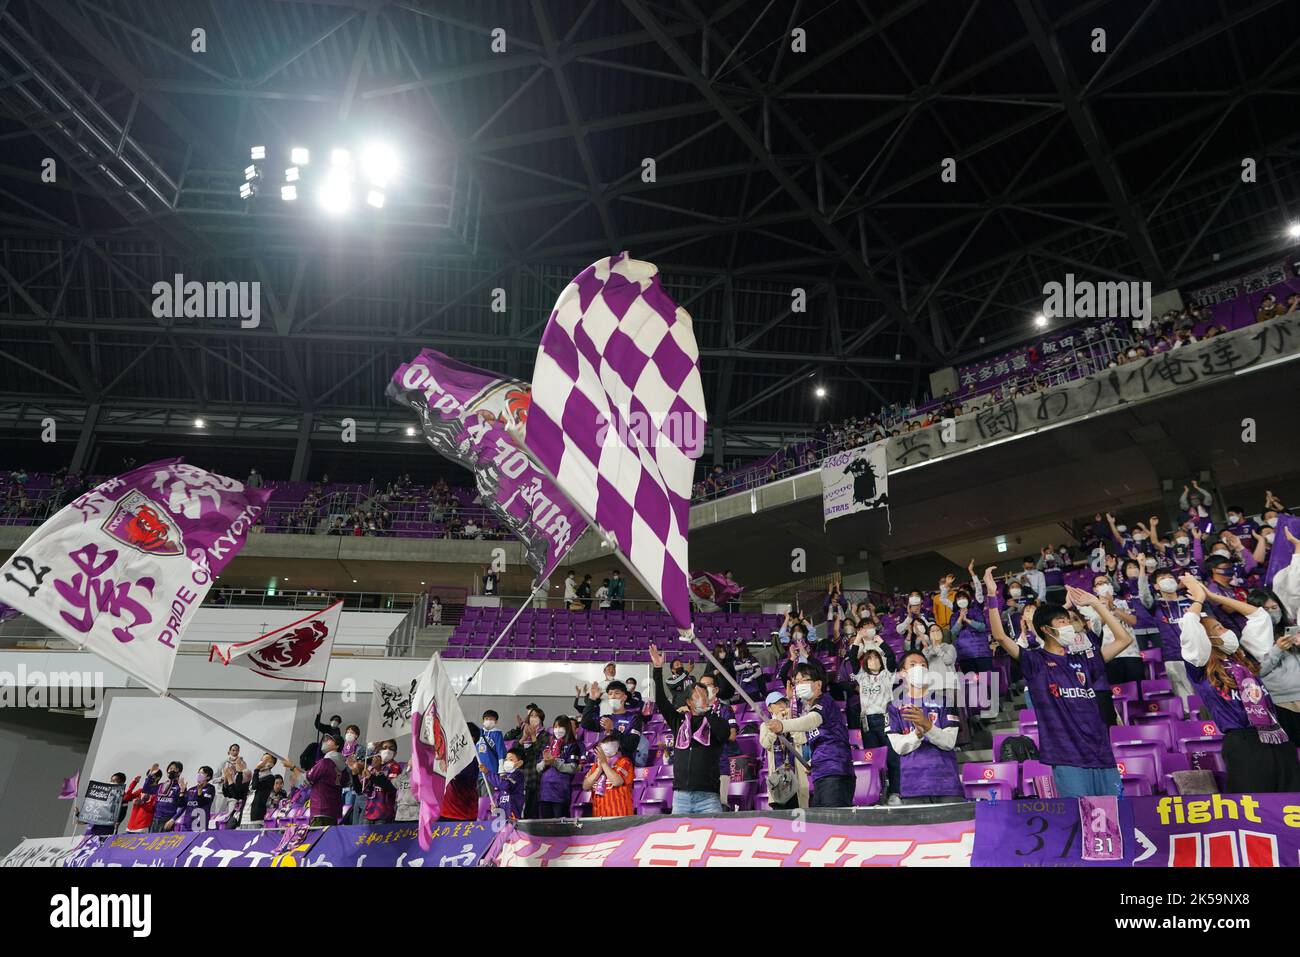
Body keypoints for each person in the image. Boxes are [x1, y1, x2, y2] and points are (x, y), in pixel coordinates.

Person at [986, 568, 1133, 798]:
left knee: (1114, 817)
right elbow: (1000, 637)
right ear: (1046, 629)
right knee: (1083, 820)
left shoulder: (1085, 660)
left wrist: (1096, 604)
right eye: (1061, 621)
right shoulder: (1035, 662)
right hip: (1068, 757)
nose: (1068, 625)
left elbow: (1125, 639)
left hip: (1101, 753)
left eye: (1068, 621)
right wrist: (992, 597)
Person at [1178, 576, 1300, 791]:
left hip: (1277, 735)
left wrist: (1211, 596)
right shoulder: (1200, 666)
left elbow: (1259, 616)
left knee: (1292, 799)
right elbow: (1189, 625)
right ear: (1205, 638)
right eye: (1218, 628)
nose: (1226, 631)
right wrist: (1198, 601)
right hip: (1243, 742)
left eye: (1224, 626)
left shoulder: (1242, 655)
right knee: (1256, 807)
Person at [650, 643, 729, 814]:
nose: (701, 699)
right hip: (681, 798)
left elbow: (724, 734)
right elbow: (662, 701)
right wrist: (657, 669)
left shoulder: (716, 720)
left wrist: (707, 710)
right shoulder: (678, 722)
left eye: (704, 695)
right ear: (689, 702)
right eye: (696, 696)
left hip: (708, 799)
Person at [767, 659, 855, 807]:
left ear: (818, 684)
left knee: (833, 822)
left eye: (805, 680)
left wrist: (783, 725)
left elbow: (812, 720)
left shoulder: (825, 701)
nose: (800, 685)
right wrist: (812, 762)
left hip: (835, 772)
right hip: (820, 774)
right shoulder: (808, 708)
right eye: (797, 682)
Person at [885, 652, 963, 803]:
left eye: (923, 665)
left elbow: (949, 742)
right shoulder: (893, 706)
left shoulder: (945, 702)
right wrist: (918, 734)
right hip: (913, 786)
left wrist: (926, 725)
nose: (919, 668)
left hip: (947, 784)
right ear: (902, 673)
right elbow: (899, 747)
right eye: (913, 665)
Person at [1081, 572, 1143, 688]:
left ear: (1111, 585)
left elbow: (1133, 621)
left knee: (1138, 692)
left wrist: (1113, 607)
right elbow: (1093, 629)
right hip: (1109, 654)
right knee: (1117, 694)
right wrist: (1104, 609)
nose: (1103, 585)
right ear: (1095, 589)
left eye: (1106, 582)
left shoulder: (1124, 602)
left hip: (1132, 653)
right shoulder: (1089, 608)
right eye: (1099, 584)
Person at [854, 648, 900, 805]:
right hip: (866, 722)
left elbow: (891, 656)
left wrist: (880, 642)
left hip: (885, 719)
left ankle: (895, 792)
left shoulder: (887, 674)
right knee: (872, 761)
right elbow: (853, 659)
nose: (873, 661)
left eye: (876, 658)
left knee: (893, 758)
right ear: (865, 663)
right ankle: (876, 792)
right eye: (870, 658)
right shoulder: (861, 676)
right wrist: (859, 638)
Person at [758, 693, 809, 809]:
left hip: (797, 781)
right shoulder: (765, 726)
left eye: (784, 703)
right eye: (778, 703)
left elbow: (801, 740)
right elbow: (766, 744)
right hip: (778, 784)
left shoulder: (794, 722)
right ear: (770, 708)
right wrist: (776, 725)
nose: (782, 706)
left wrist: (786, 724)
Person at [698, 673, 739, 807]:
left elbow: (732, 735)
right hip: (701, 767)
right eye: (701, 686)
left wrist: (714, 733)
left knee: (720, 806)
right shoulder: (695, 711)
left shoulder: (726, 709)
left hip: (721, 766)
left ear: (715, 690)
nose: (703, 688)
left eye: (707, 685)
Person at [579, 679, 644, 763]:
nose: (613, 696)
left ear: (624, 697)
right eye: (610, 694)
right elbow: (585, 723)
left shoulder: (634, 718)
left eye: (617, 693)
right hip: (603, 764)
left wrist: (612, 729)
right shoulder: (606, 718)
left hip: (623, 765)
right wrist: (592, 699)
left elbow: (631, 745)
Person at [504, 707, 551, 818]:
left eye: (536, 716)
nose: (533, 718)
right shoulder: (523, 734)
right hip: (520, 778)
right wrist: (524, 737)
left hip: (535, 778)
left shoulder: (545, 735)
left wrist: (534, 736)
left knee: (531, 811)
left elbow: (539, 753)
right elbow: (514, 753)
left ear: (541, 719)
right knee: (518, 811)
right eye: (531, 716)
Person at [538, 716, 582, 818]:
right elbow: (538, 768)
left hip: (560, 793)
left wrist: (554, 762)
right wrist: (545, 762)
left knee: (560, 826)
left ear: (567, 728)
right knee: (545, 826)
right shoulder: (548, 745)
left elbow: (572, 768)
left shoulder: (573, 745)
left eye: (560, 727)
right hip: (545, 793)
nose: (557, 730)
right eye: (555, 727)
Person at [349, 740, 401, 825]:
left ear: (395, 753)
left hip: (384, 815)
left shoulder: (395, 767)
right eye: (384, 748)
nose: (387, 750)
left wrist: (378, 771)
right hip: (369, 813)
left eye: (391, 748)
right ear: (379, 751)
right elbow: (359, 790)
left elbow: (391, 788)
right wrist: (354, 774)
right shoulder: (372, 767)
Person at [583, 733, 635, 817]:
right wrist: (599, 770)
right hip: (599, 815)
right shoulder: (596, 765)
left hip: (620, 815)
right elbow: (585, 786)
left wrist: (604, 764)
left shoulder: (624, 762)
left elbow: (617, 782)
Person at [306, 734, 345, 826]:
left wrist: (293, 767)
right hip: (333, 811)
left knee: (317, 839)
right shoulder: (343, 766)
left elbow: (307, 779)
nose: (325, 742)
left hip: (320, 808)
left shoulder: (325, 762)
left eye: (329, 740)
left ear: (337, 746)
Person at [169, 767, 216, 832]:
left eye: (202, 773)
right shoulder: (191, 789)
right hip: (187, 824)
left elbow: (202, 802)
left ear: (208, 777)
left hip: (200, 825)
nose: (199, 775)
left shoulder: (210, 788)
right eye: (198, 773)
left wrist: (200, 792)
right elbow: (181, 804)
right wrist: (182, 791)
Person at [246, 753, 280, 829]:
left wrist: (256, 769)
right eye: (261, 760)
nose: (261, 762)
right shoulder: (257, 775)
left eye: (264, 761)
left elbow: (255, 786)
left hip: (256, 816)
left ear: (270, 765)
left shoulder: (270, 778)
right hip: (246, 813)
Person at [493, 747, 528, 821]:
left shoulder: (518, 775)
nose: (507, 762)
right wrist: (496, 807)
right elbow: (500, 797)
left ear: (519, 763)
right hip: (503, 820)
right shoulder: (505, 777)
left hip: (515, 819)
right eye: (506, 759)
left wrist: (488, 773)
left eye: (511, 759)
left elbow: (505, 785)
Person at [149, 761, 185, 832]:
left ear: (179, 772)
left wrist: (173, 819)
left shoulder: (180, 787)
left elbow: (182, 806)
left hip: (167, 821)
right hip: (155, 820)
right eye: (170, 768)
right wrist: (150, 775)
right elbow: (146, 790)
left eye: (175, 769)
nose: (171, 770)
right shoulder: (161, 785)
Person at [124, 767, 160, 833]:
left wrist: (142, 803)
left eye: (152, 775)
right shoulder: (140, 790)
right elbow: (126, 798)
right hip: (130, 827)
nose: (149, 777)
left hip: (143, 828)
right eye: (148, 775)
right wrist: (134, 783)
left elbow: (153, 809)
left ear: (158, 778)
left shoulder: (158, 792)